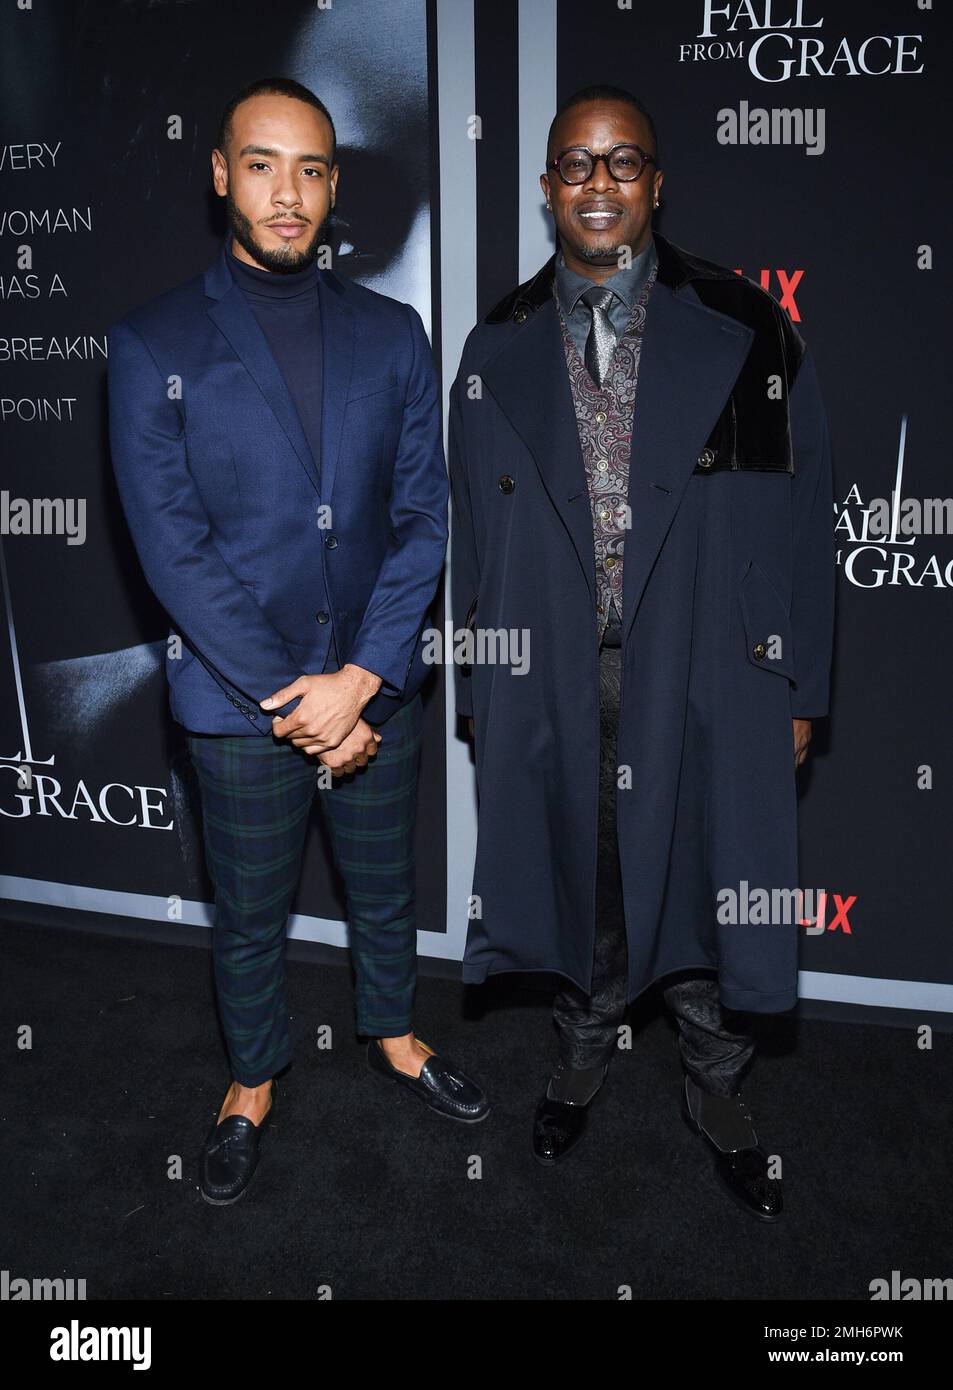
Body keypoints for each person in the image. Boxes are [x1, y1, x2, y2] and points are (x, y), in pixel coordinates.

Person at [448, 84, 835, 1220]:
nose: (599, 184)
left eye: (623, 163)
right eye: (576, 164)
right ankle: (580, 1053)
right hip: (560, 669)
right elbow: (474, 525)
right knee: (586, 871)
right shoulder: (495, 343)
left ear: (656, 183)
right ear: (545, 190)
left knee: (712, 879)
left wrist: (799, 680)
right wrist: (484, 673)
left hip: (709, 663)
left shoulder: (747, 324)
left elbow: (806, 513)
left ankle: (715, 1085)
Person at [107, 77, 488, 1206]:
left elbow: (426, 515)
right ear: (221, 173)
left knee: (383, 888)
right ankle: (252, 1078)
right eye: (262, 164)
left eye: (311, 169)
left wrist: (364, 677)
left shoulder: (394, 334)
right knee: (250, 910)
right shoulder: (150, 343)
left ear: (332, 188)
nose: (289, 192)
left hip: (378, 687)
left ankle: (391, 1032)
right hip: (240, 705)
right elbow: (172, 552)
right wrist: (297, 695)